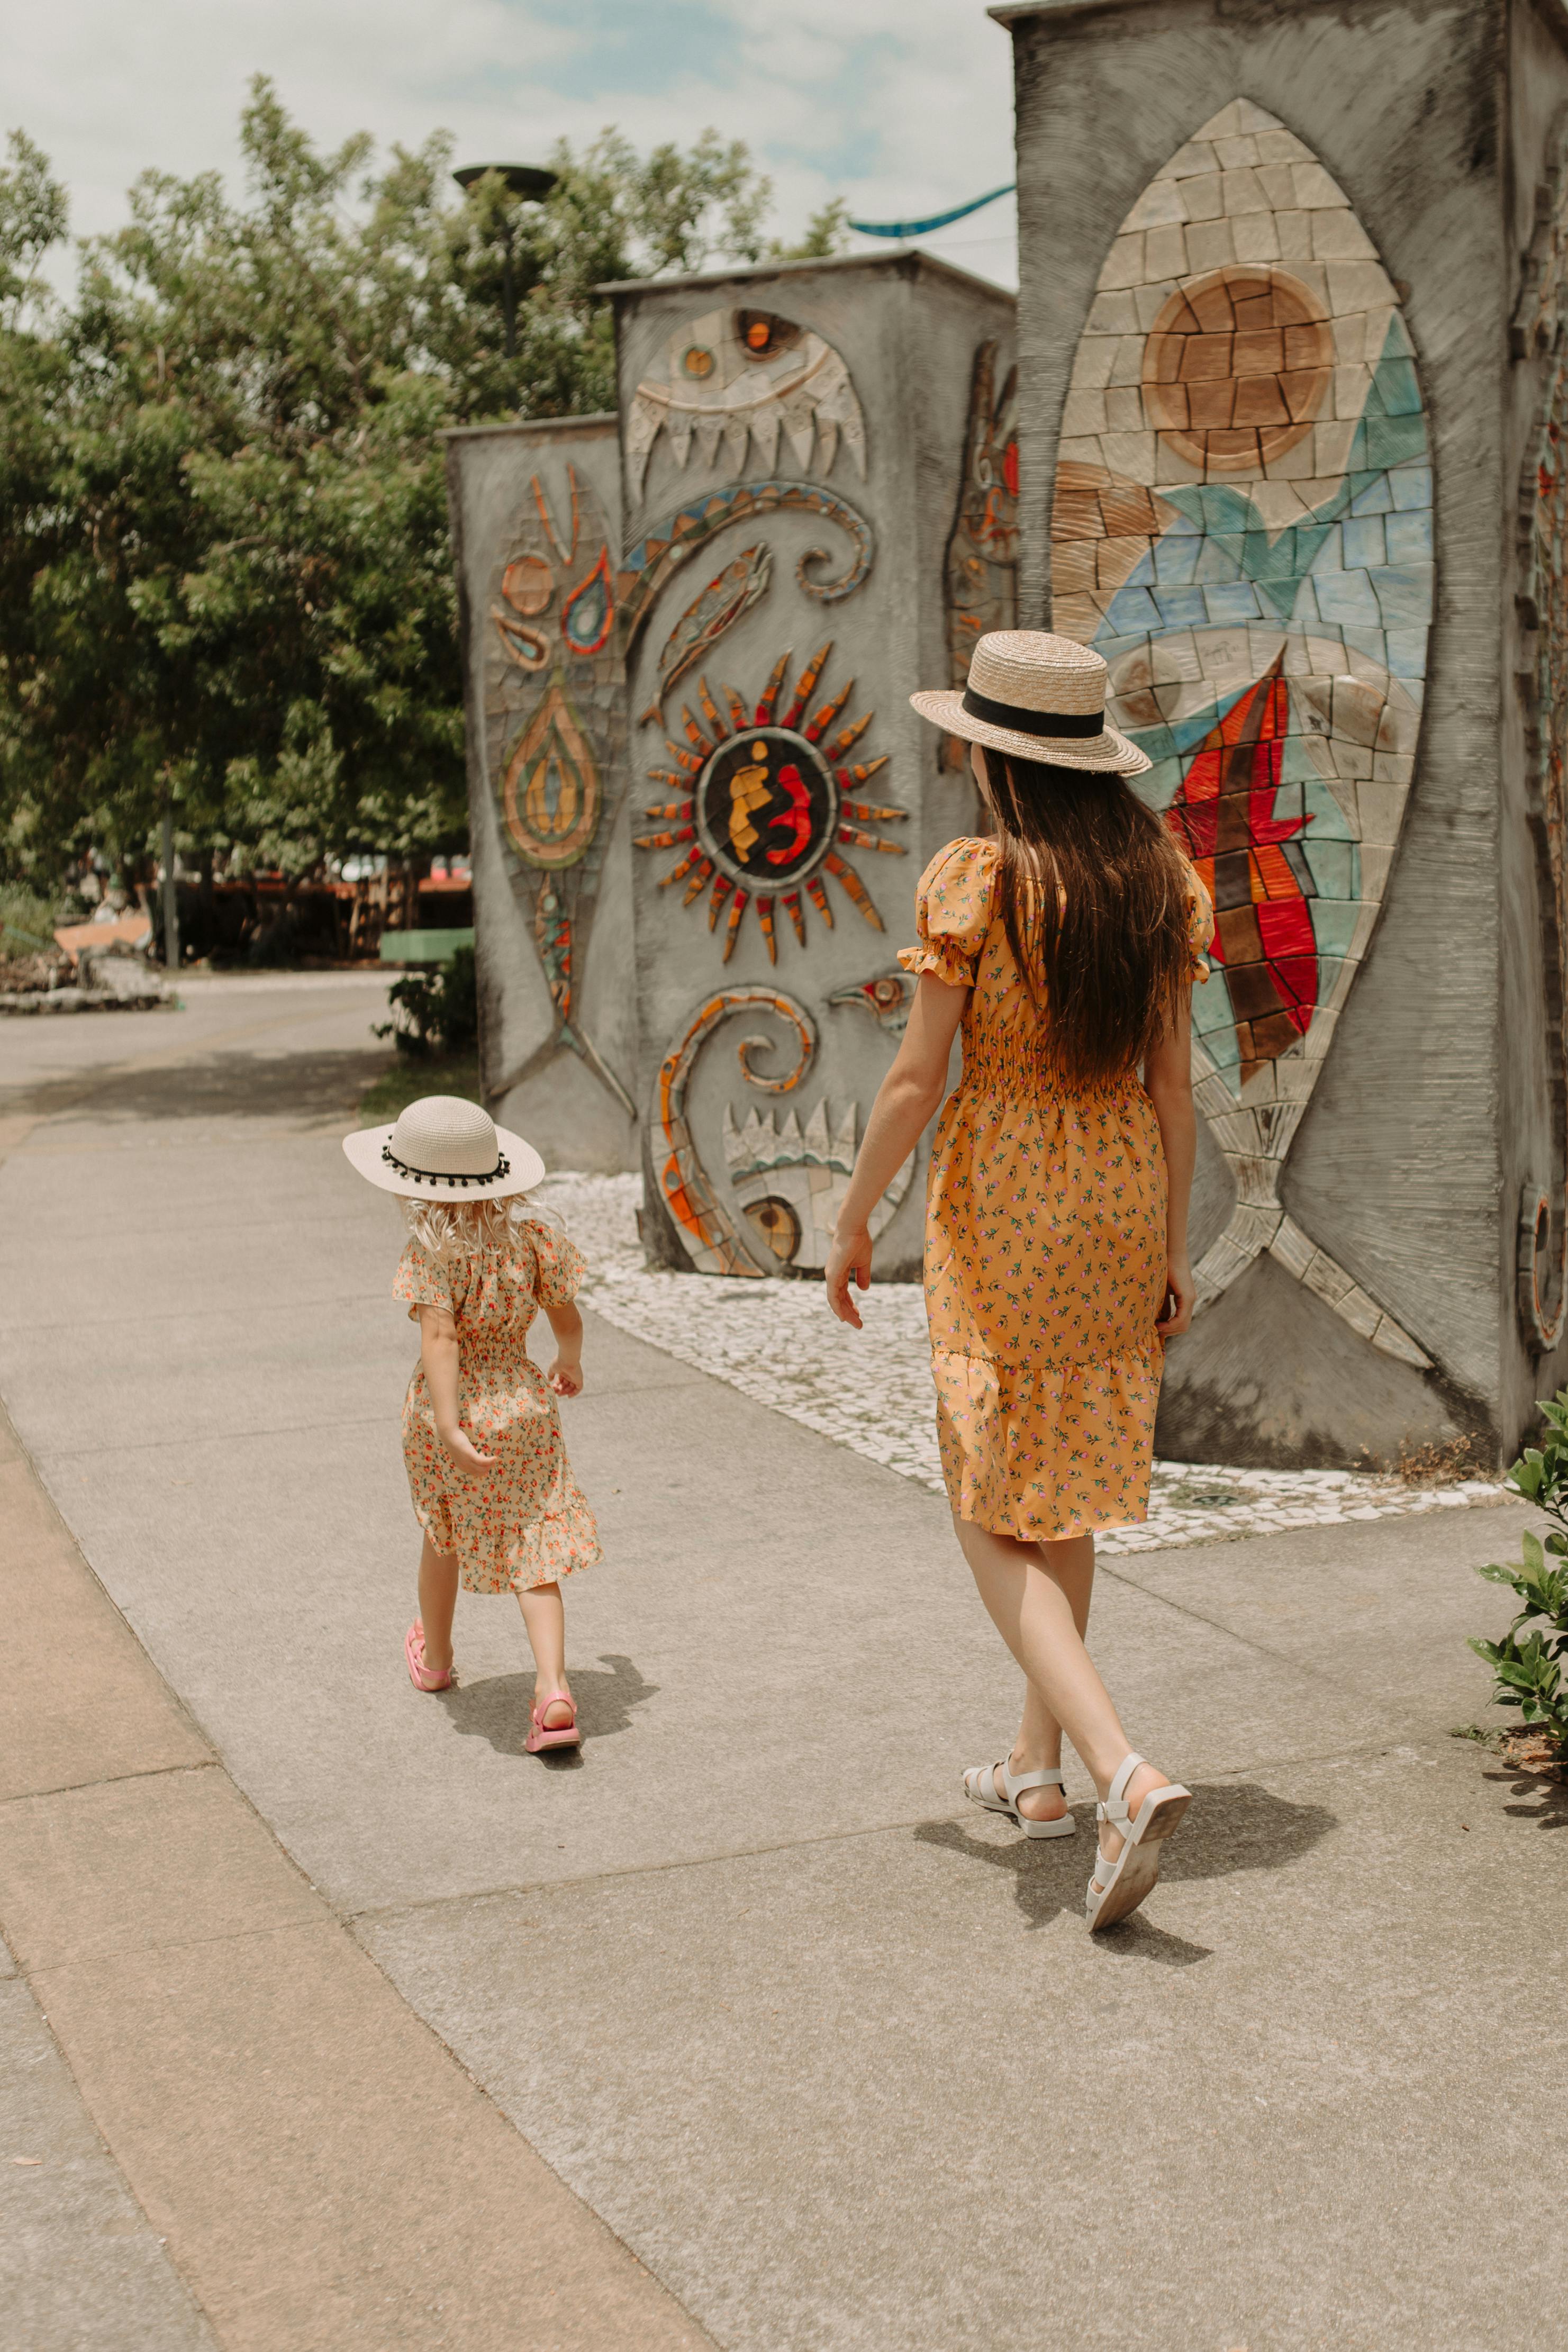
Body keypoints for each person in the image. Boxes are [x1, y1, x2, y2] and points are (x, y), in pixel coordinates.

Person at [823, 631, 1213, 1931]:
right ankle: (1035, 1772)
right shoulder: (1155, 878)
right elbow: (1174, 1084)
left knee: (990, 1502)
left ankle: (1117, 1767)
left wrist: (851, 1215)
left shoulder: (979, 879)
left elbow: (917, 1079)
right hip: (1116, 1199)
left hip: (1005, 1206)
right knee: (1063, 1486)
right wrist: (1168, 1246)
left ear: (995, 753)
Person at [342, 1094, 598, 1752]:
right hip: (523, 1401)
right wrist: (566, 1359)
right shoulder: (533, 1240)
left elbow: (441, 1340)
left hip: (451, 1409)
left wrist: (451, 1426)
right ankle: (552, 1689)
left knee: (443, 1527)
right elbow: (565, 1316)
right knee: (533, 1545)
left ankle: (436, 1658)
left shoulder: (432, 1251)